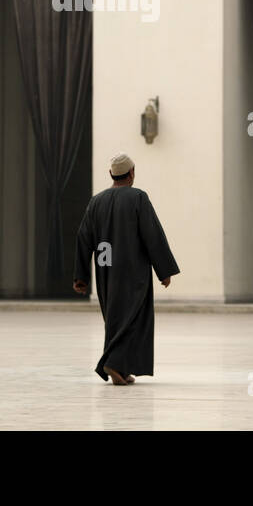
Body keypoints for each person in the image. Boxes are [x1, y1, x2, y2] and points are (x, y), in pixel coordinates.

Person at [73, 153, 179, 385]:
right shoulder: (138, 198)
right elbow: (152, 235)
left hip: (105, 271)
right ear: (132, 173)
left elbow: (83, 238)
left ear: (111, 174)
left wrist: (81, 276)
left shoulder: (96, 201)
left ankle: (121, 368)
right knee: (134, 317)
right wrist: (164, 270)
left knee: (115, 318)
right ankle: (113, 361)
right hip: (131, 270)